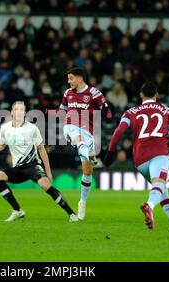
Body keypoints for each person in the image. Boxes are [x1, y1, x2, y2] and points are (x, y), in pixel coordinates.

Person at [103, 82, 169, 239]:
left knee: (161, 189)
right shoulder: (167, 111)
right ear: (157, 95)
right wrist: (164, 145)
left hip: (140, 161)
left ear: (141, 95)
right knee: (158, 187)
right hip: (159, 155)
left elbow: (119, 131)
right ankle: (149, 206)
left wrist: (110, 152)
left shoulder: (130, 112)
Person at [0, 101, 78, 222]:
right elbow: (0, 145)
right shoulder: (5, 128)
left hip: (33, 166)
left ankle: (72, 214)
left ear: (25, 113)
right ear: (12, 113)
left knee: (45, 185)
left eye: (22, 109)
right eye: (16, 109)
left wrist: (48, 171)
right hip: (18, 169)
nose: (19, 112)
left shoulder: (32, 128)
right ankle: (17, 211)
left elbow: (41, 149)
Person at [56, 67, 112, 220]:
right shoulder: (68, 93)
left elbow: (106, 108)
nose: (68, 81)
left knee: (87, 172)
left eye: (71, 78)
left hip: (88, 132)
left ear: (80, 78)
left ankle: (82, 202)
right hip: (70, 127)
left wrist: (107, 112)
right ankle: (90, 153)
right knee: (78, 139)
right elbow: (62, 110)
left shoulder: (94, 93)